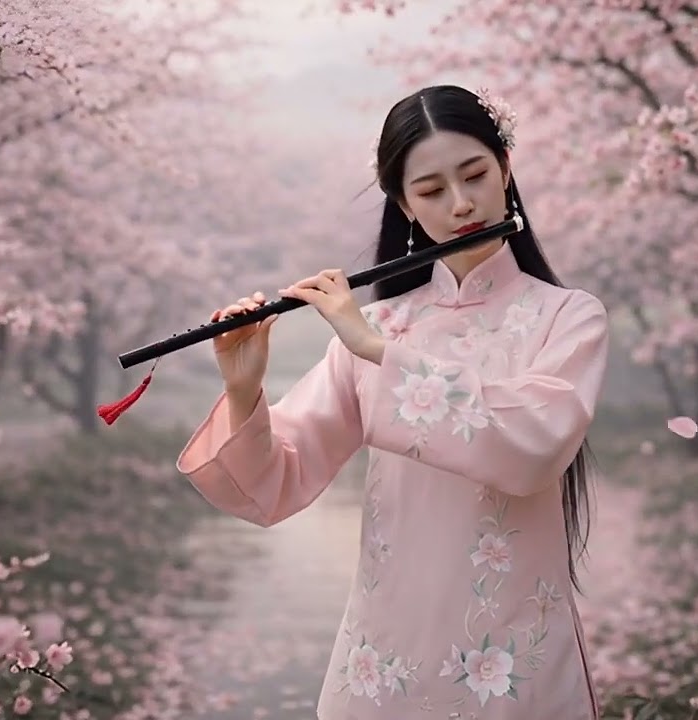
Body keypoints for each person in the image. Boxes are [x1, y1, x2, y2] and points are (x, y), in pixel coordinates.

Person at [176, 84, 610, 720]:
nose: (462, 204)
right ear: (404, 204)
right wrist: (245, 392)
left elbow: (537, 447)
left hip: (518, 659)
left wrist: (377, 350)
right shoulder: (377, 326)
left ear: (506, 170)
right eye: (432, 191)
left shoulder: (568, 318)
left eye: (476, 175)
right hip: (386, 660)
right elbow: (274, 482)